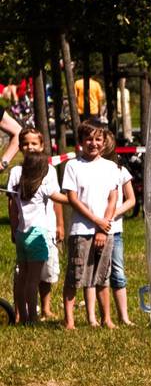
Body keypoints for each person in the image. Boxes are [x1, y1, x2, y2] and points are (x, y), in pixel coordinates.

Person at [60, 122, 119, 329]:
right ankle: (69, 320)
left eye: (98, 139)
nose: (93, 143)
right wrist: (96, 221)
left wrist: (104, 226)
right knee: (76, 276)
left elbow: (113, 198)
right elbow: (73, 199)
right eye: (89, 139)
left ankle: (106, 319)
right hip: (81, 230)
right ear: (80, 142)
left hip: (105, 230)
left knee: (102, 275)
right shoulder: (73, 166)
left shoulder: (111, 167)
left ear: (104, 143)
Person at [5, 128, 67, 323]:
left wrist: (60, 224)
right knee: (31, 279)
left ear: (41, 146)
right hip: (38, 233)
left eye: (34, 143)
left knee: (27, 275)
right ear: (20, 146)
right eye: (25, 143)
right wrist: (77, 199)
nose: (30, 147)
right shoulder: (24, 175)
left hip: (24, 232)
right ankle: (30, 316)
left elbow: (16, 202)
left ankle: (26, 315)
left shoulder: (45, 172)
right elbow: (59, 197)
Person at [97, 130, 136, 326]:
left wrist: (113, 214)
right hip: (95, 230)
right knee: (100, 274)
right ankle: (104, 317)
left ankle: (124, 316)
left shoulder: (120, 171)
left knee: (118, 273)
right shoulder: (90, 169)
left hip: (115, 231)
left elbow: (131, 200)